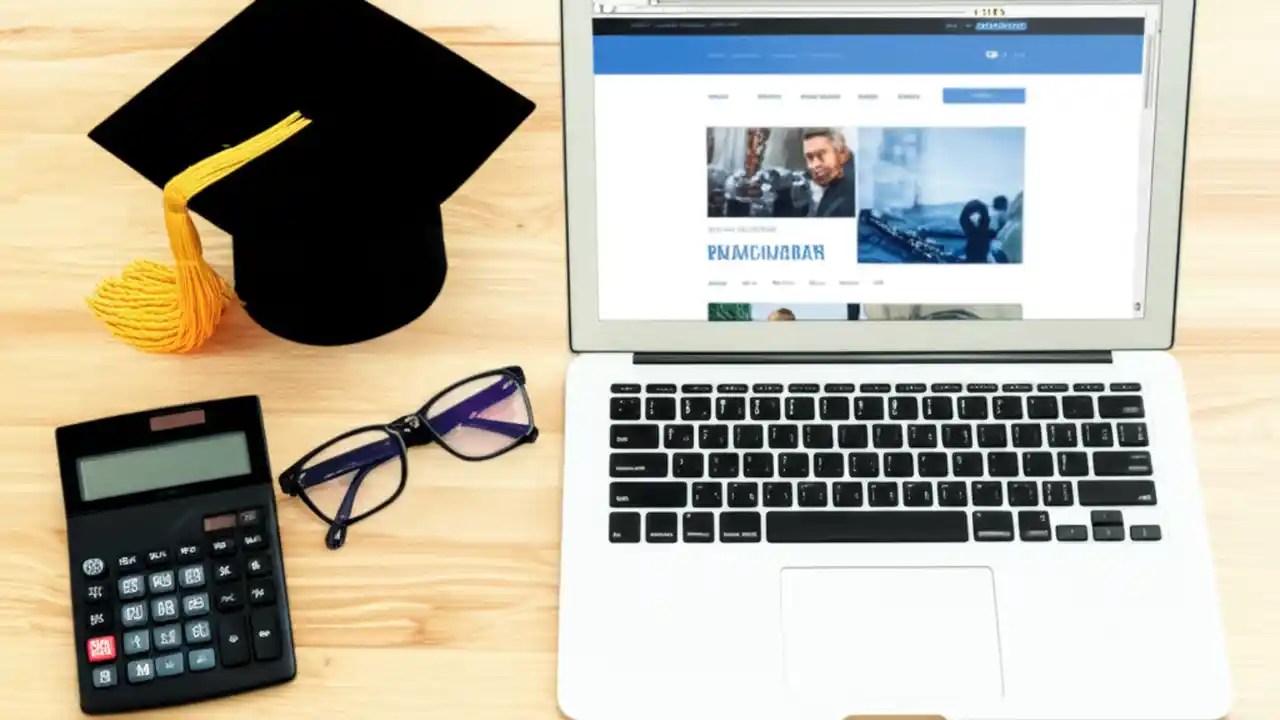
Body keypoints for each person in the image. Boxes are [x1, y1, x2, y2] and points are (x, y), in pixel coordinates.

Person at [802, 129, 857, 218]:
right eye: (810, 157)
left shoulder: (845, 199)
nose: (815, 165)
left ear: (842, 153)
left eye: (821, 155)